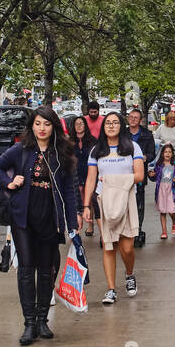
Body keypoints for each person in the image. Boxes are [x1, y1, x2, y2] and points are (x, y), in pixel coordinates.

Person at [0, 107, 78, 345]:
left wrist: (72, 222)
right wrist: (9, 182)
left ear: (54, 127)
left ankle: (42, 320)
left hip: (49, 218)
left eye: (47, 124)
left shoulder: (62, 152)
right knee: (27, 270)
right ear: (32, 126)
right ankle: (29, 323)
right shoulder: (21, 150)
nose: (42, 128)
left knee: (46, 269)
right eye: (38, 123)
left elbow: (69, 191)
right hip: (23, 219)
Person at [81, 112, 144, 304]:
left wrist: (112, 180)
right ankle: (110, 289)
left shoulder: (132, 147)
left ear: (121, 126)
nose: (111, 126)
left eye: (115, 122)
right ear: (103, 127)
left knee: (127, 248)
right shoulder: (96, 151)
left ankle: (130, 273)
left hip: (125, 201)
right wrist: (86, 205)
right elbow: (91, 179)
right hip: (103, 203)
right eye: (108, 123)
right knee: (109, 246)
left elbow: (139, 175)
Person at [127, 107, 157, 247]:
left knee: (139, 203)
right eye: (130, 117)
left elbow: (152, 153)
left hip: (139, 174)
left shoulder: (146, 134)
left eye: (135, 118)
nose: (132, 119)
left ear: (140, 120)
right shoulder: (123, 134)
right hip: (125, 174)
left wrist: (145, 157)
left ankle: (138, 230)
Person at [68, 115, 96, 236]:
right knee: (76, 201)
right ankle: (76, 226)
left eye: (81, 123)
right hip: (75, 175)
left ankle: (90, 224)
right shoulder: (69, 142)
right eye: (76, 124)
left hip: (89, 173)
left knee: (89, 200)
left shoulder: (92, 141)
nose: (79, 126)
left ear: (85, 125)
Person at [153, 143, 175, 238]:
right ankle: (164, 232)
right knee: (162, 211)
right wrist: (151, 175)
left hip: (171, 191)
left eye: (170, 152)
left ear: (172, 154)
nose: (167, 153)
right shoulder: (158, 165)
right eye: (165, 152)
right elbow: (154, 177)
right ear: (162, 154)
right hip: (161, 191)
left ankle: (174, 222)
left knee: (171, 211)